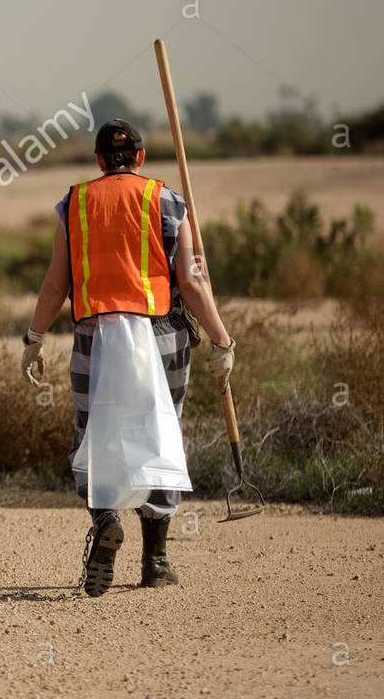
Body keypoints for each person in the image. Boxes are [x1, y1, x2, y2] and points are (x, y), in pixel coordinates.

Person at [21, 118, 235, 597]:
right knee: (159, 434)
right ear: (139, 158)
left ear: (99, 161)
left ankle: (104, 518)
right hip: (160, 334)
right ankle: (155, 561)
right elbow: (194, 283)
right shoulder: (168, 201)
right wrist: (222, 341)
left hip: (94, 336)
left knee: (91, 435)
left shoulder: (73, 203)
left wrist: (34, 336)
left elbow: (57, 283)